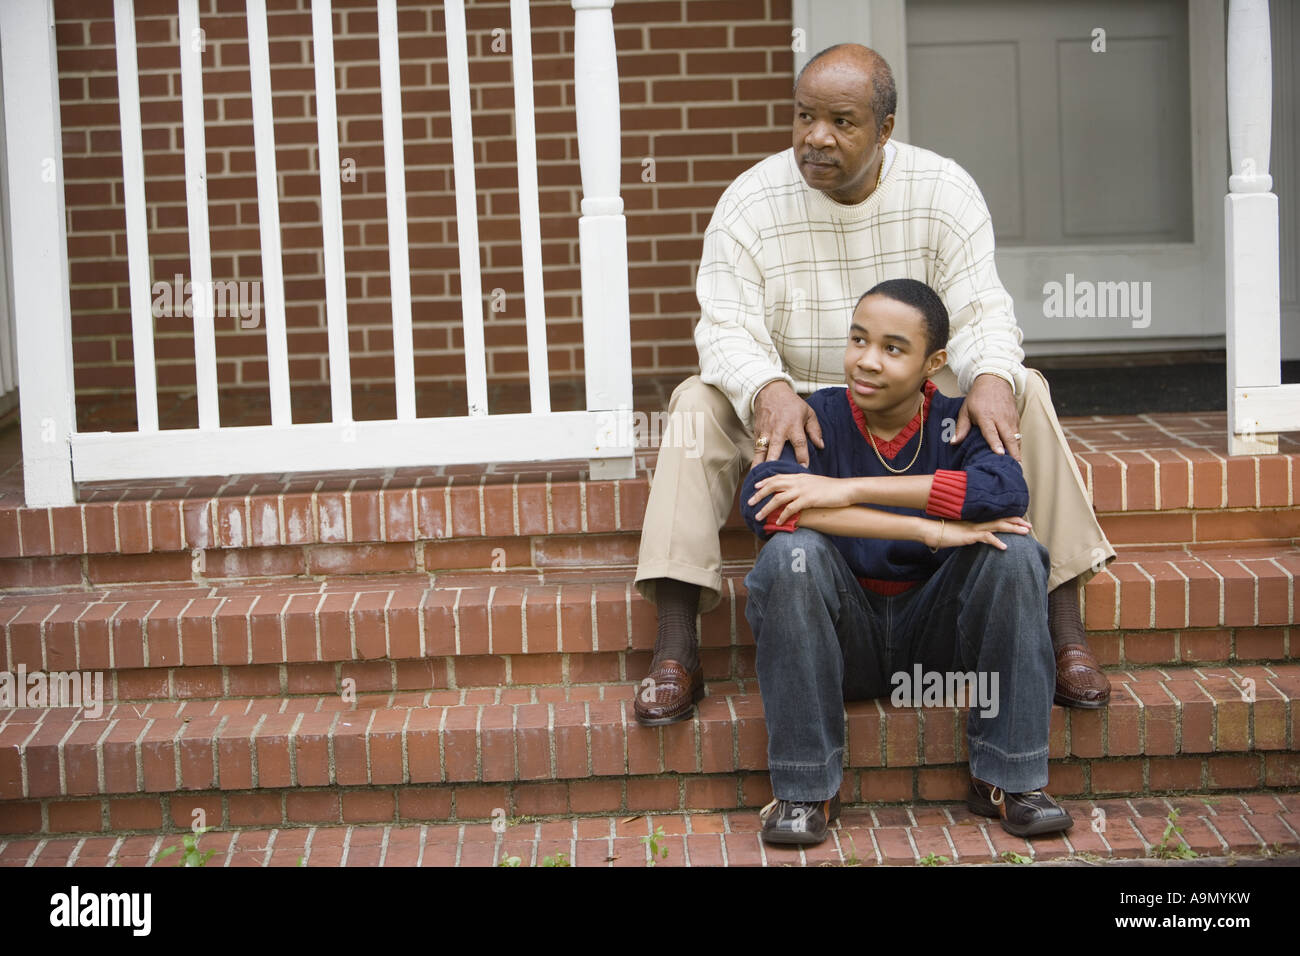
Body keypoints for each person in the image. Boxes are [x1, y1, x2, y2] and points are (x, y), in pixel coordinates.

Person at [633, 42, 1113, 727]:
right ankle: (677, 645)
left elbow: (980, 310)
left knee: (1023, 387)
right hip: (793, 411)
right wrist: (767, 386)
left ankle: (1064, 630)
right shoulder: (751, 200)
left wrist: (989, 375)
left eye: (841, 121)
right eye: (803, 117)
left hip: (909, 409)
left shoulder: (942, 189)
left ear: (885, 129)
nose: (815, 137)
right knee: (693, 402)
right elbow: (726, 326)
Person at [741, 278, 1071, 845]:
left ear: (933, 362)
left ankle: (1010, 781)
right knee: (791, 555)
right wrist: (926, 527)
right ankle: (804, 790)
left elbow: (1002, 494)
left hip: (937, 639)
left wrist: (845, 493)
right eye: (858, 340)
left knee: (1015, 553)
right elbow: (769, 504)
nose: (867, 362)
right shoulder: (815, 419)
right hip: (844, 640)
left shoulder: (958, 422)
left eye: (893, 349)